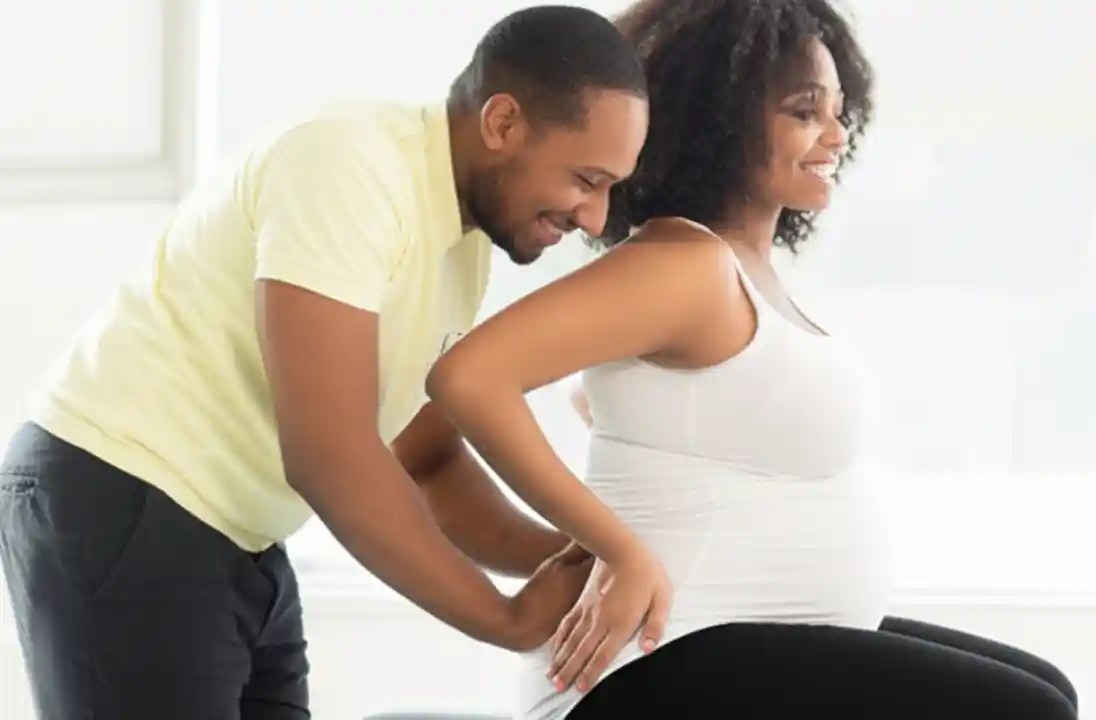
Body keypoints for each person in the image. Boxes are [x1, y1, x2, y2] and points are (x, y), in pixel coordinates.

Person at [424, 1, 1081, 718]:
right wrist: (615, 546)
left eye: (838, 111)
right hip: (657, 668)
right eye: (804, 113)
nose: (834, 135)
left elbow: (639, 410)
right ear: (720, 119)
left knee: (1048, 689)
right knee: (1028, 711)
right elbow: (469, 379)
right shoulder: (683, 265)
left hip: (730, 653)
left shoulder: (739, 271)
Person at [0, 6, 649, 719]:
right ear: (502, 124)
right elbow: (331, 456)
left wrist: (565, 562)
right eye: (587, 180)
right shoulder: (351, 164)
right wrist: (505, 619)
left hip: (240, 536)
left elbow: (421, 457)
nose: (594, 217)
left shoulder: (458, 251)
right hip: (127, 494)